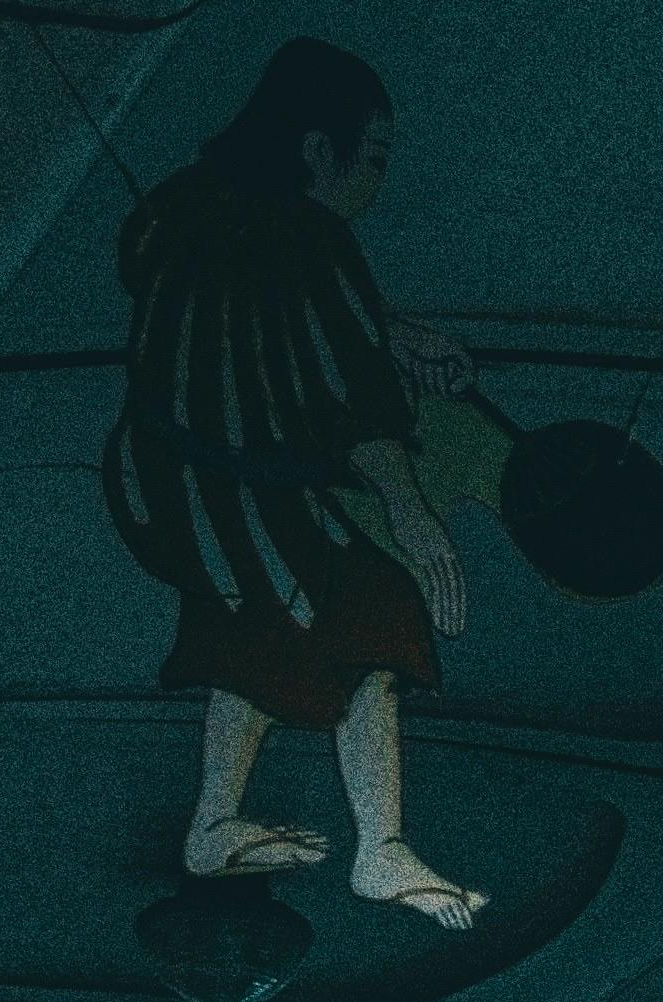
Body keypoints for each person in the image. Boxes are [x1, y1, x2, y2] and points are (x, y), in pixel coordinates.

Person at [105, 39, 487, 929]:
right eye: (376, 158)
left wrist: (393, 328)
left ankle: (236, 826)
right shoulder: (311, 231)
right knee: (374, 606)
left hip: (165, 475)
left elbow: (270, 302)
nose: (377, 182)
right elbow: (346, 383)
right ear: (319, 150)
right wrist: (414, 512)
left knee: (260, 633)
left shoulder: (183, 206)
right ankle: (371, 848)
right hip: (235, 488)